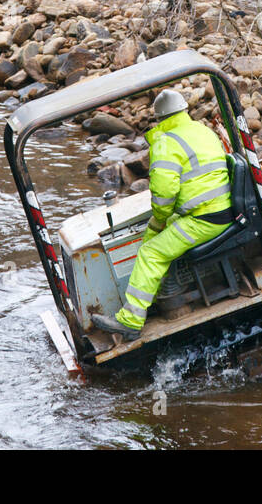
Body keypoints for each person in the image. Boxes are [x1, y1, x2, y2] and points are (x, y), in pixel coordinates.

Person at [91, 90, 233, 339]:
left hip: (204, 219)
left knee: (151, 252)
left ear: (159, 118)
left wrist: (158, 220)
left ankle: (131, 320)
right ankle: (154, 296)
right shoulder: (202, 131)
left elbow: (164, 195)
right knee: (161, 235)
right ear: (184, 110)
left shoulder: (167, 142)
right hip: (220, 208)